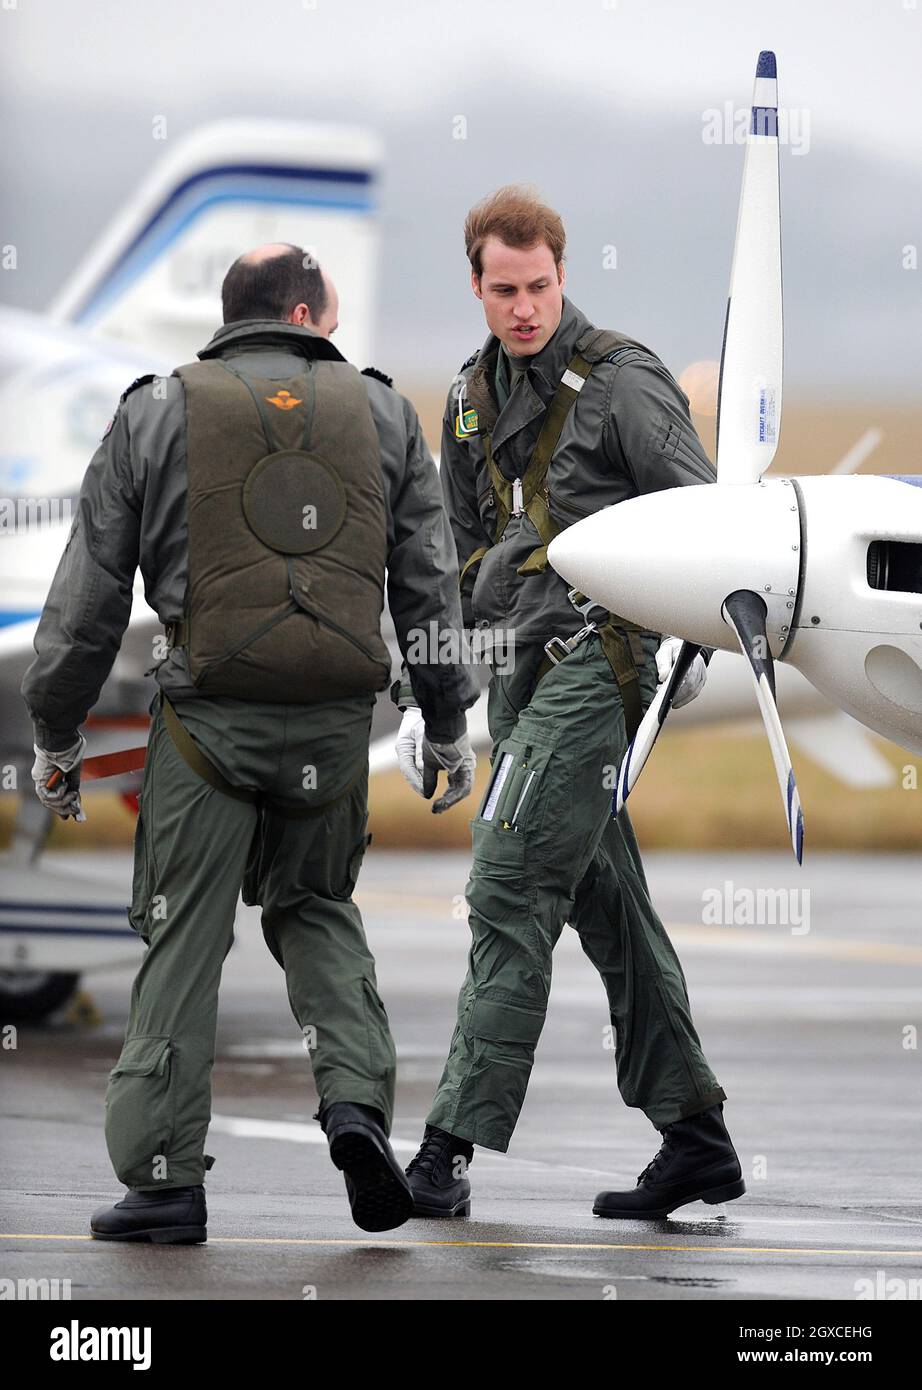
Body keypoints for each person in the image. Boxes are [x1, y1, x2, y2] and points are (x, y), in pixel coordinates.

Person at [22, 243, 477, 1242]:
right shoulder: (386, 411)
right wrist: (445, 723)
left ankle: (164, 1183)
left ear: (233, 316)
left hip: (205, 728)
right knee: (317, 910)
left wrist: (56, 730)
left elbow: (90, 594)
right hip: (332, 723)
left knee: (184, 936)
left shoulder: (155, 408)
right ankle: (355, 1106)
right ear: (310, 311)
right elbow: (429, 586)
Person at [400, 188, 745, 1221]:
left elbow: (704, 523)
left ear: (562, 274)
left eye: (539, 286)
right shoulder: (466, 398)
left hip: (603, 664)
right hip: (518, 673)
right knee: (608, 906)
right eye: (502, 289)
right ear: (476, 284)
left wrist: (674, 659)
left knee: (506, 883)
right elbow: (462, 560)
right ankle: (696, 1139)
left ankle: (444, 1149)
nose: (522, 307)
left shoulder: (624, 384)